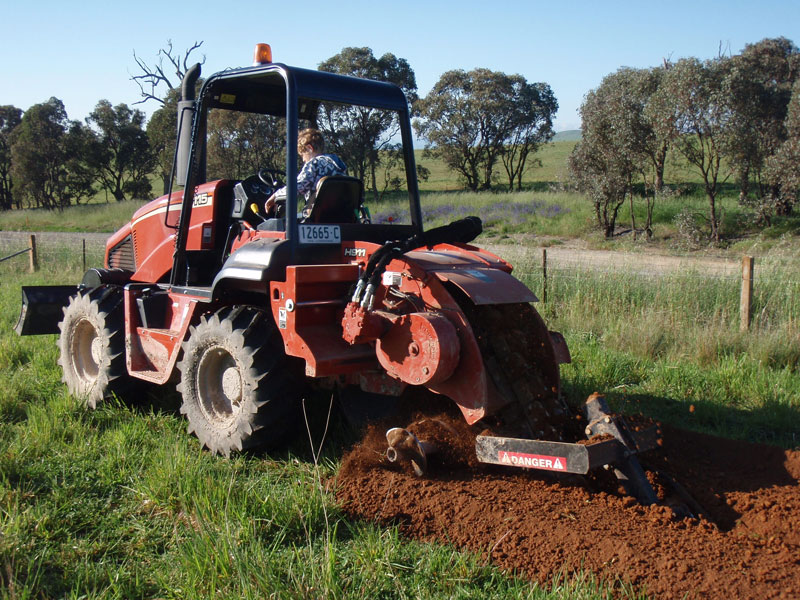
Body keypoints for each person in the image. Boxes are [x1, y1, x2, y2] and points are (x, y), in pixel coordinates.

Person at [264, 128, 347, 215]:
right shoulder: (338, 163)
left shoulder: (313, 164)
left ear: (309, 148)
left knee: (288, 220)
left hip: (318, 216)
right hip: (340, 213)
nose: (303, 159)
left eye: (302, 155)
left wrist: (275, 196)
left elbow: (298, 186)